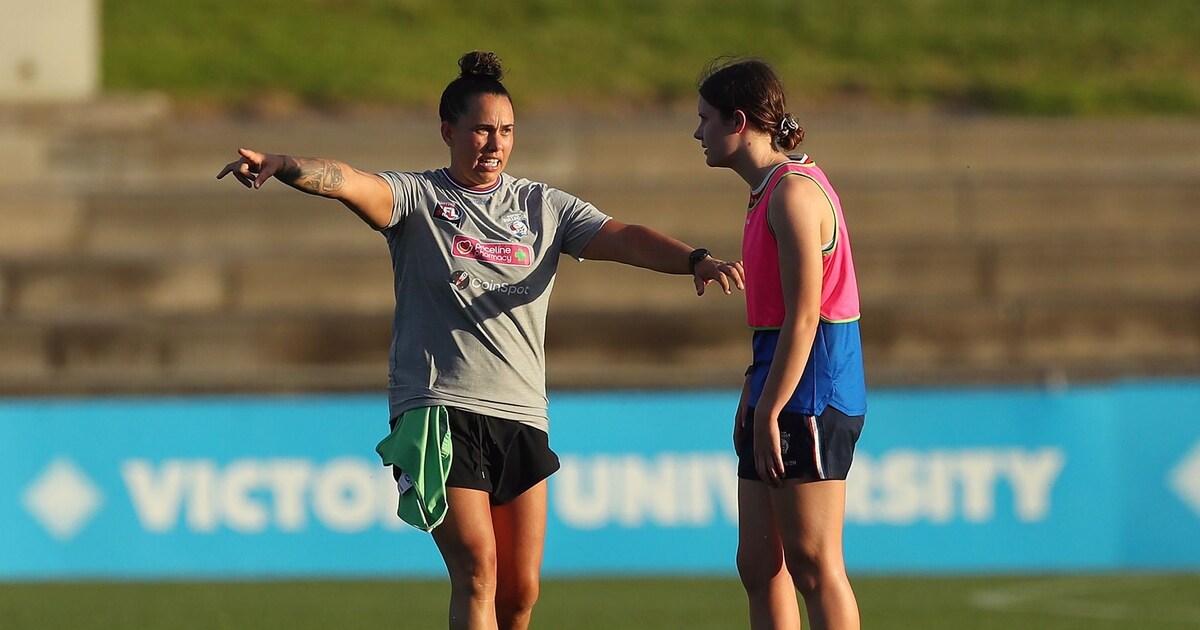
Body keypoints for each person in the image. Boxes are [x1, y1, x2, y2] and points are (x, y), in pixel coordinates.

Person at [217, 51, 743, 630]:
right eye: (481, 130)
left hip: (520, 413)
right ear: (448, 131)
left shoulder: (544, 207)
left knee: (519, 594)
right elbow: (347, 181)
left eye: (506, 131)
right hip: (437, 410)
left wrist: (692, 259)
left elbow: (623, 237)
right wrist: (284, 164)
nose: (494, 144)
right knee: (477, 568)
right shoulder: (416, 198)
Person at [693, 57, 867, 630]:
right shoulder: (765, 191)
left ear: (738, 121)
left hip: (812, 389)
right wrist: (755, 387)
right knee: (760, 563)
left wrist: (771, 406)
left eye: (707, 120)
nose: (699, 134)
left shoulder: (794, 195)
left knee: (814, 565)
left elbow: (806, 317)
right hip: (777, 380)